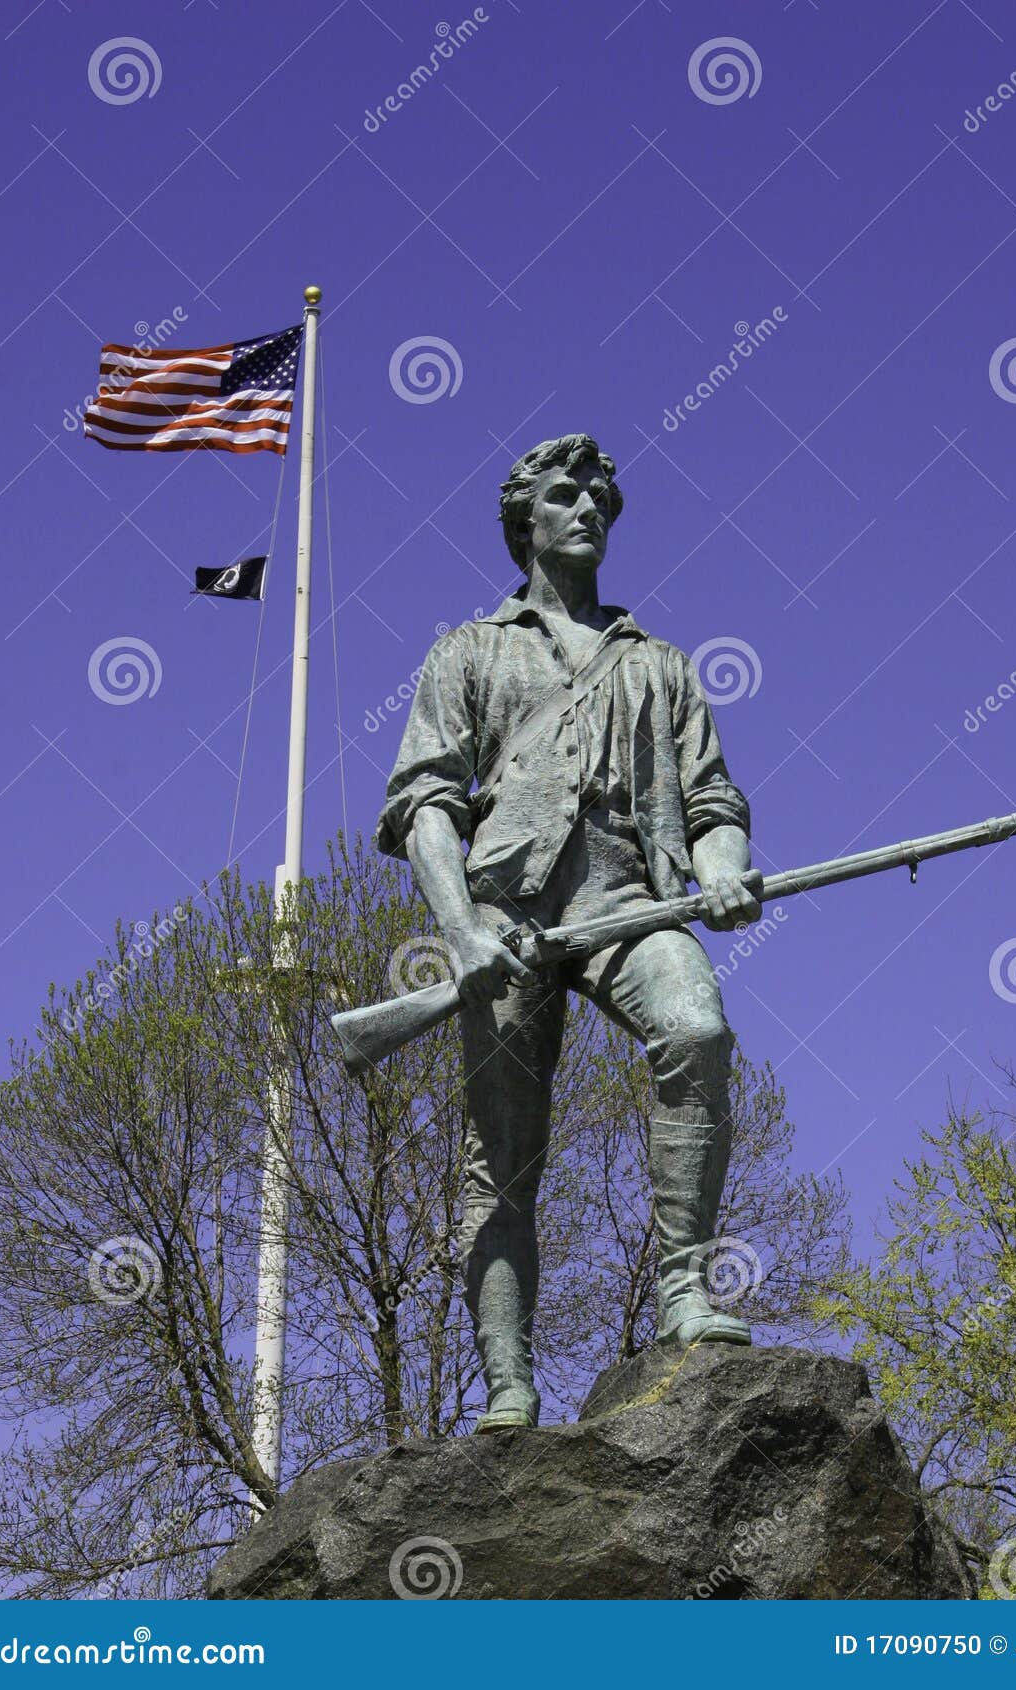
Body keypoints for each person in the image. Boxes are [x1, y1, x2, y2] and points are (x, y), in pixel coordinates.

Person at [377, 434, 760, 1431]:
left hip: (630, 902)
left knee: (698, 1029)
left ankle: (683, 1287)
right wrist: (459, 932)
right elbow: (426, 804)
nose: (588, 507)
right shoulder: (467, 651)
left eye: (600, 494)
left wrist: (720, 871)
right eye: (565, 494)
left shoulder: (661, 666)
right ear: (524, 523)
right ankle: (508, 1376)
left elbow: (714, 801)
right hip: (505, 917)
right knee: (500, 1157)